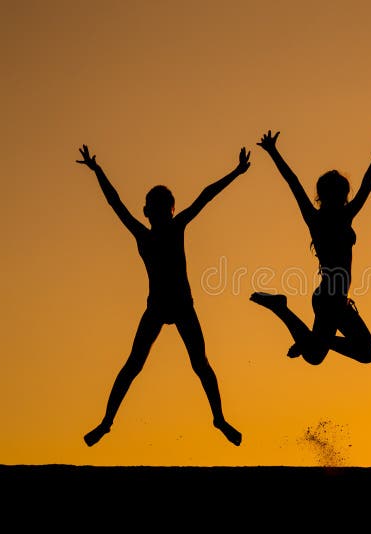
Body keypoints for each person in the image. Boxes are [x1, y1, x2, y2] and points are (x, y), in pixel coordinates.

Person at [76, 143, 250, 447]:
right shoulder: (145, 234)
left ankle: (219, 419)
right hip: (157, 308)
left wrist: (235, 172)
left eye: (163, 208)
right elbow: (115, 202)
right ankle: (106, 423)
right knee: (134, 365)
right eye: (153, 208)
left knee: (200, 364)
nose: (158, 212)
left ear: (169, 210)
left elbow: (206, 196)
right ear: (148, 212)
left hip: (181, 307)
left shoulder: (174, 226)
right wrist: (97, 170)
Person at [249, 125, 371, 366]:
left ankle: (299, 327)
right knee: (335, 354)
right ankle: (283, 311)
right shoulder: (325, 218)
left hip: (336, 298)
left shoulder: (334, 217)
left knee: (337, 353)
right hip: (329, 298)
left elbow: (367, 187)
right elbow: (294, 183)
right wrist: (273, 152)